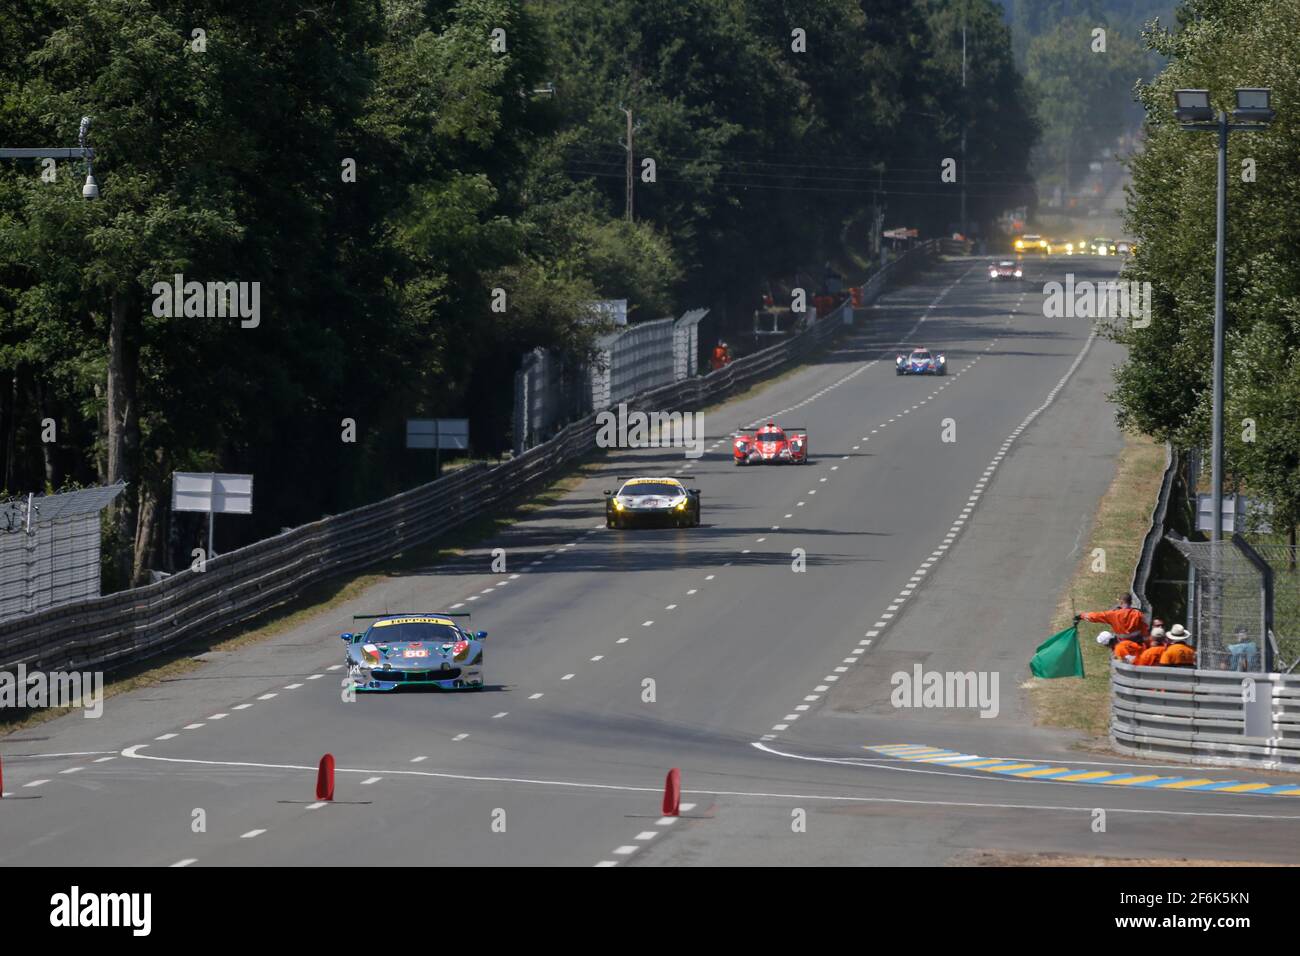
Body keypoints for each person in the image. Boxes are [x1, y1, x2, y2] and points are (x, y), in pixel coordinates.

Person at [1074, 593, 1149, 645]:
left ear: (1121, 602)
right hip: (1137, 643)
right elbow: (1145, 629)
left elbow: (1095, 616)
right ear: (1131, 602)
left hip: (1122, 644)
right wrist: (1146, 643)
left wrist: (1081, 616)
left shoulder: (1113, 614)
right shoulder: (1138, 614)